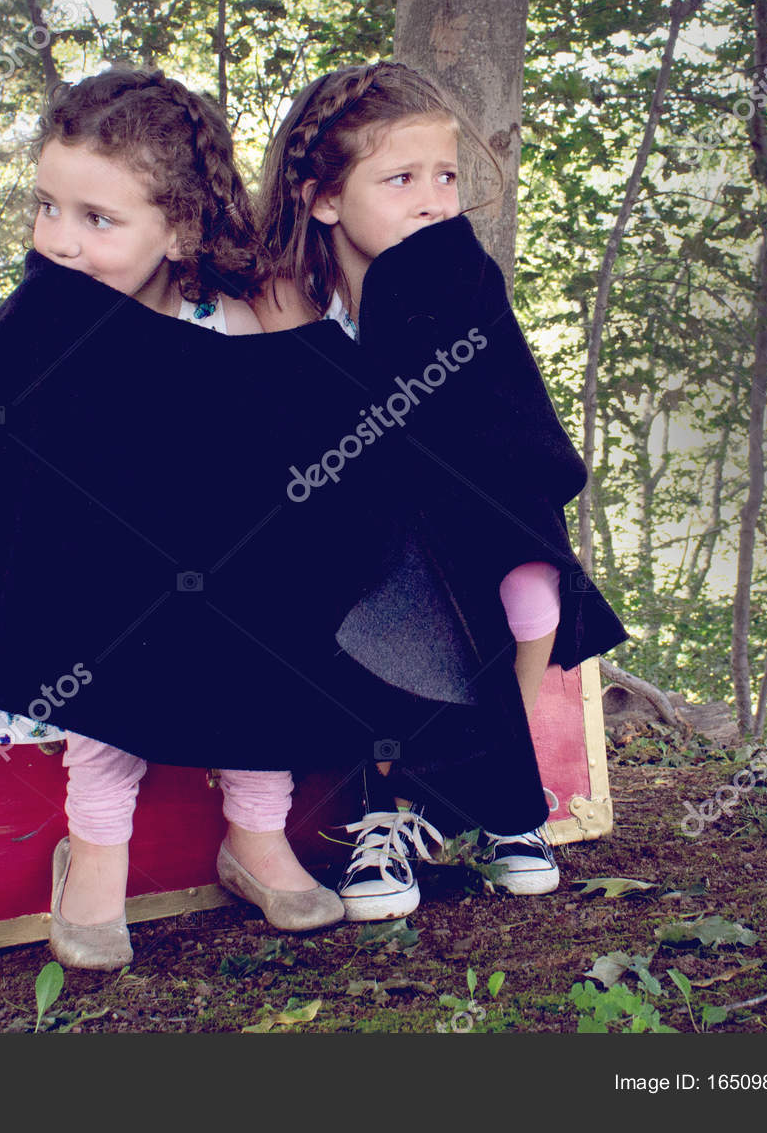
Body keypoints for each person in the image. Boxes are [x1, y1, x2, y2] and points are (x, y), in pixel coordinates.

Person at [0, 68, 343, 969]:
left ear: (178, 226)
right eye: (49, 207)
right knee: (122, 608)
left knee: (266, 592)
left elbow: (286, 455)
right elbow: (11, 497)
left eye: (98, 220)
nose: (60, 241)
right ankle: (97, 851)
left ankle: (255, 834)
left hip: (226, 591)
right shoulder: (42, 326)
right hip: (87, 603)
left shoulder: (226, 320)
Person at [254, 61, 628, 921]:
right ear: (323, 199)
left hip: (461, 536)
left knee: (530, 570)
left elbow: (511, 431)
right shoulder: (294, 301)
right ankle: (390, 803)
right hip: (345, 551)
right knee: (387, 574)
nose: (433, 201)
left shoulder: (459, 285)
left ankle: (494, 779)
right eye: (401, 179)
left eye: (446, 177)